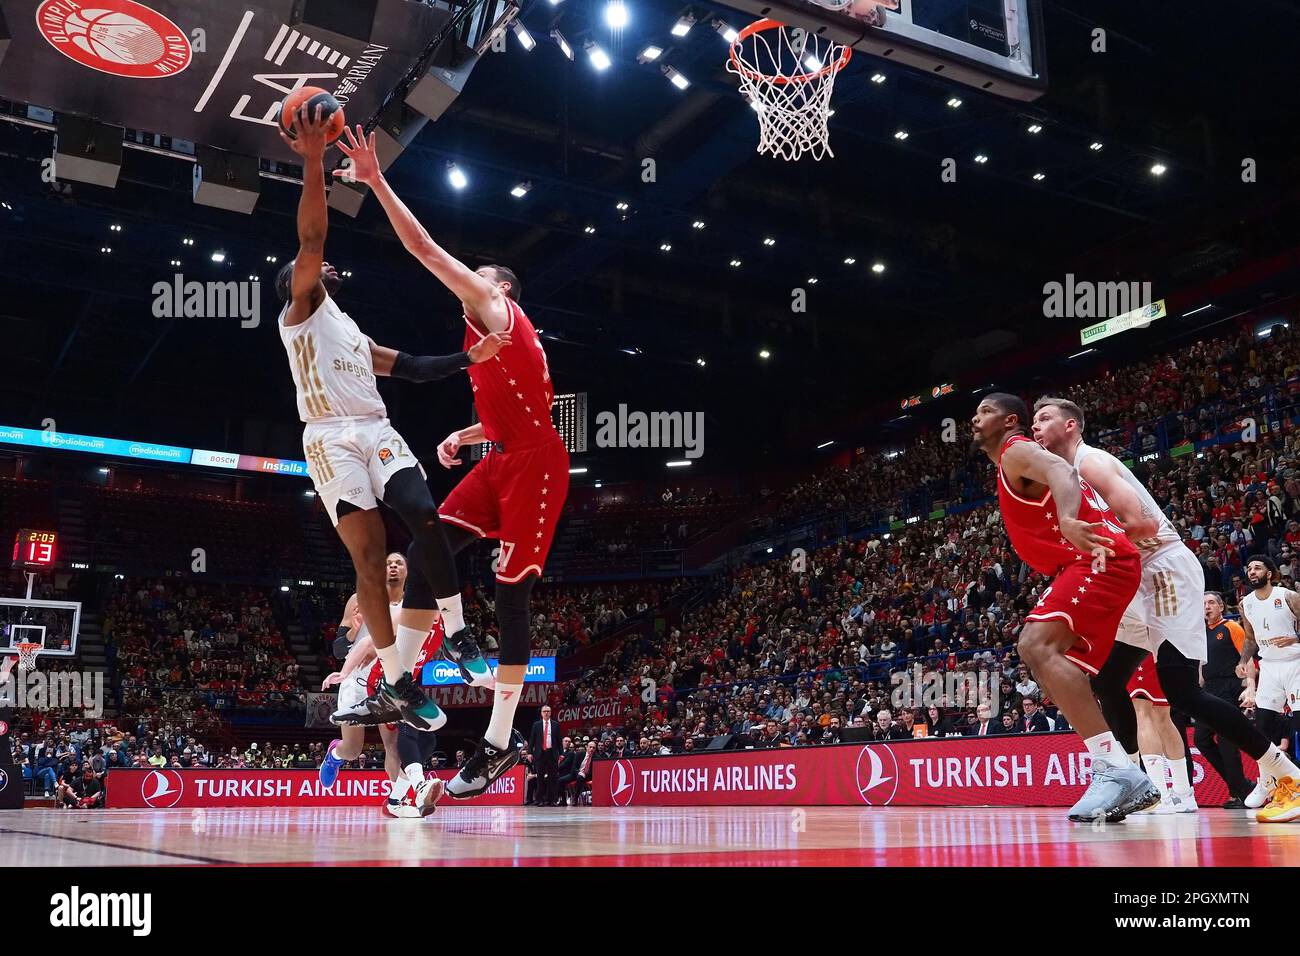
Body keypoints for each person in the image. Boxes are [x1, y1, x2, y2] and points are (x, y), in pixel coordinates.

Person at [335, 126, 570, 799]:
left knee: (511, 591)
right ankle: (401, 684)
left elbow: (422, 248)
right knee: (428, 542)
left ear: (500, 291)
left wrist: (377, 180)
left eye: (481, 277)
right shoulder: (489, 339)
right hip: (502, 453)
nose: (468, 282)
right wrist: (469, 439)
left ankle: (500, 739)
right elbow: (504, 417)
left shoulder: (497, 309)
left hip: (537, 464)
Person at [274, 103, 500, 734]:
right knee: (369, 562)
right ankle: (398, 683)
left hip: (376, 430)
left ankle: (455, 632)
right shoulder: (301, 315)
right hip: (329, 441)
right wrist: (316, 159)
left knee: (424, 513)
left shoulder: (348, 330)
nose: (320, 268)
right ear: (296, 282)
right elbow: (312, 239)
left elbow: (413, 369)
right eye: (309, 271)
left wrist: (469, 356)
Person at [1033, 396, 1300, 823]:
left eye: (1044, 418)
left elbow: (1143, 526)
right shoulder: (1065, 475)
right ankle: (1129, 781)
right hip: (1137, 577)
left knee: (1182, 692)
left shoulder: (1091, 463)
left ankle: (1287, 775)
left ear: (1070, 426)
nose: (1035, 426)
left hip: (1164, 570)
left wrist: (1089, 541)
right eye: (1032, 420)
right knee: (1108, 680)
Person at [972, 393, 1156, 822]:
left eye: (984, 412)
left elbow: (1060, 469)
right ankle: (1118, 770)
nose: (974, 419)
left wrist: (1070, 520)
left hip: (1097, 559)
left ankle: (1115, 769)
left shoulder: (1017, 450)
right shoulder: (1015, 462)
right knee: (1053, 662)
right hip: (1089, 563)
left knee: (1036, 645)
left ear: (1009, 420)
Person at [1237, 555, 1300, 818]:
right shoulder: (1246, 604)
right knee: (1262, 728)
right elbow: (1250, 638)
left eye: (1258, 568)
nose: (1252, 572)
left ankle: (1295, 784)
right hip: (1270, 666)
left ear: (1271, 573)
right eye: (1249, 568)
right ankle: (1267, 782)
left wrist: (1295, 636)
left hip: (1295, 661)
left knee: (1297, 725)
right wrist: (1243, 660)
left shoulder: (1288, 596)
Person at [1197, 592, 1253, 807]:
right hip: (1208, 689)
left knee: (1227, 742)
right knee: (1201, 739)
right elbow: (1201, 667)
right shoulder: (1201, 632)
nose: (1207, 607)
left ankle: (1238, 792)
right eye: (1203, 604)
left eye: (1211, 602)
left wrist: (1250, 688)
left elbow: (1246, 659)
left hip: (1229, 687)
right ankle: (1240, 786)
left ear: (1221, 607)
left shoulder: (1231, 627)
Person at [1124, 656, 1197, 814]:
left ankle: (1159, 796)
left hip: (1139, 646)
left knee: (1142, 713)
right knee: (1163, 717)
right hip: (1163, 652)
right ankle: (1184, 793)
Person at [529, 705, 562, 807]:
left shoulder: (555, 725)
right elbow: (532, 740)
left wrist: (561, 754)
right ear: (541, 713)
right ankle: (540, 800)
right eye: (544, 711)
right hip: (540, 754)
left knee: (553, 778)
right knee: (540, 778)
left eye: (548, 711)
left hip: (552, 753)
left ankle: (552, 800)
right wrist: (530, 752)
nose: (546, 713)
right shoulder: (536, 725)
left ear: (551, 712)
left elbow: (558, 740)